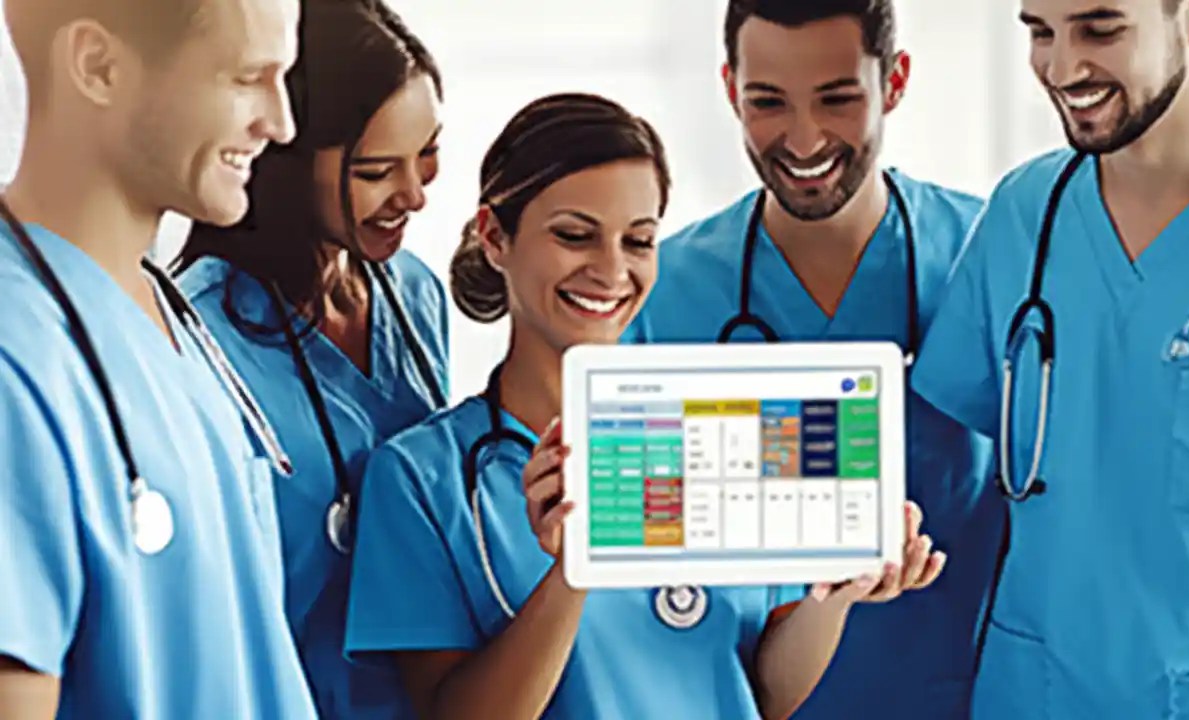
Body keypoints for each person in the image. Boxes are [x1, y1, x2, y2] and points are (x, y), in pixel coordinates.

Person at [343, 92, 945, 720]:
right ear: (495, 237)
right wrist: (575, 570)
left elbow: (765, 691)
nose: (611, 271)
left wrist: (837, 593)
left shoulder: (721, 432)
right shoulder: (422, 479)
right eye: (575, 236)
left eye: (638, 241)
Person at [623, 1, 1003, 717]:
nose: (803, 139)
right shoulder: (662, 293)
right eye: (768, 102)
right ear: (730, 89)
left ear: (895, 82)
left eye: (837, 99)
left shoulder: (986, 255)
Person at [911, 0, 1189, 716]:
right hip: (1037, 694)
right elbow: (960, 480)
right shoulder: (1023, 216)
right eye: (1040, 32)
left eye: (1100, 29)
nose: (1061, 67)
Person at [0, 0, 318, 718]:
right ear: (98, 66)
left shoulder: (169, 314)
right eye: (247, 78)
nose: (281, 124)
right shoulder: (18, 359)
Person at [173, 1, 449, 717]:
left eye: (427, 153)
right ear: (285, 161)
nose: (415, 195)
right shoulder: (196, 340)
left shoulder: (414, 293)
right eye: (377, 171)